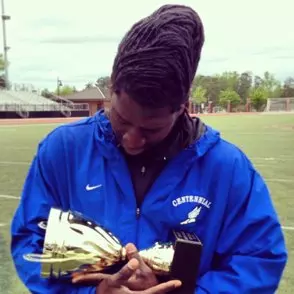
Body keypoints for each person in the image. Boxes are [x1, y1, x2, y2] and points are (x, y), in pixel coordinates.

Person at [11, 4, 287, 294]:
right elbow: (31, 242)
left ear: (183, 107)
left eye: (150, 130)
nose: (131, 140)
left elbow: (258, 261)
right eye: (121, 120)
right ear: (112, 87)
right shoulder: (64, 151)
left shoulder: (227, 168)